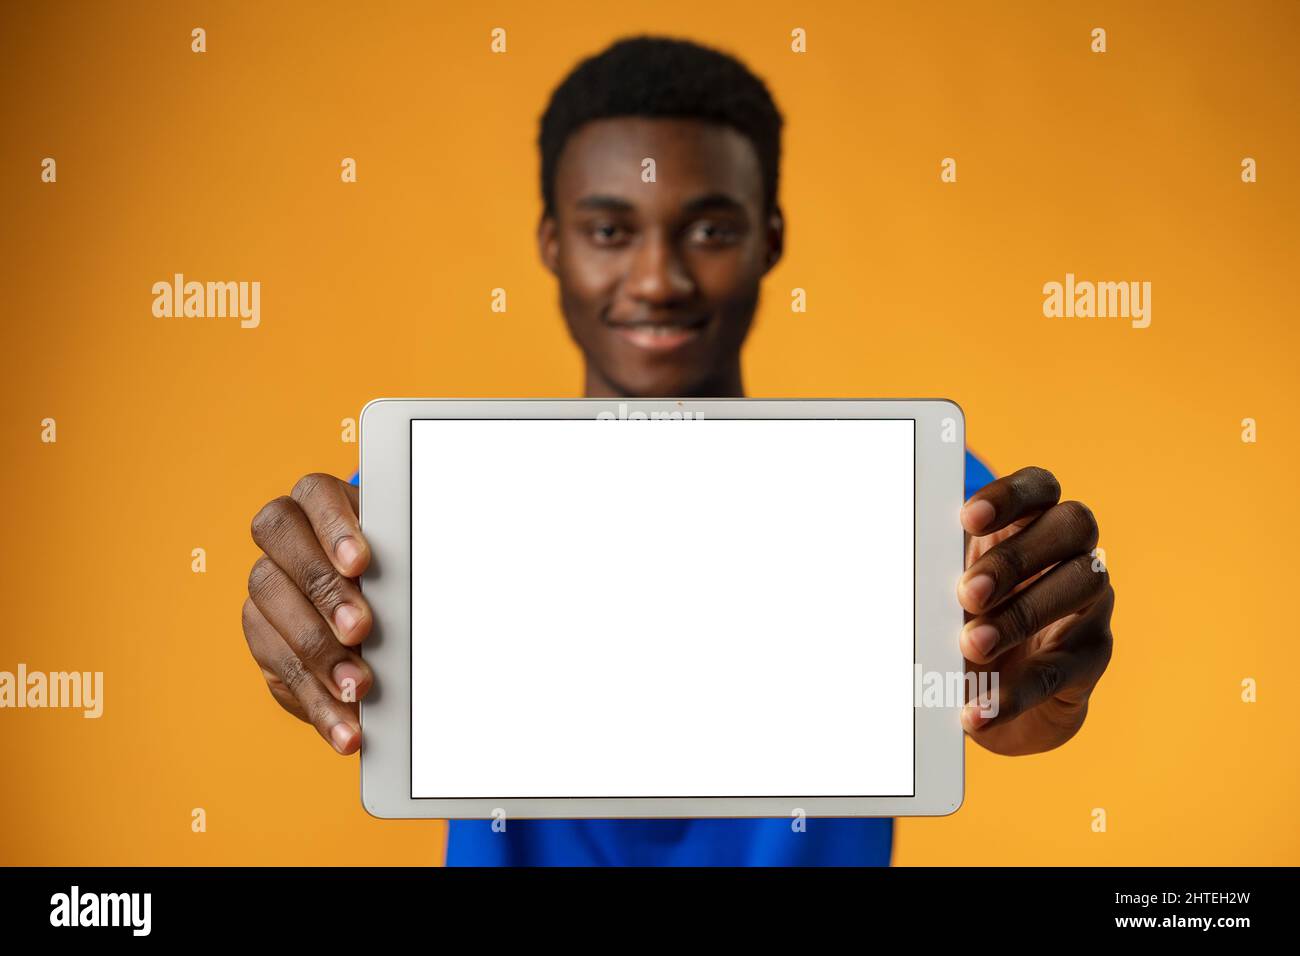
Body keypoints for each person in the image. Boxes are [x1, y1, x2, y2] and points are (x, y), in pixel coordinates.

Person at [240, 35, 1114, 865]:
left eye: (709, 229)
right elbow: (317, 610)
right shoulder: (421, 507)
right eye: (611, 230)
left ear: (771, 238)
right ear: (552, 243)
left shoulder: (917, 500)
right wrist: (304, 623)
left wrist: (1044, 688)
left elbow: (1014, 691)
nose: (658, 279)